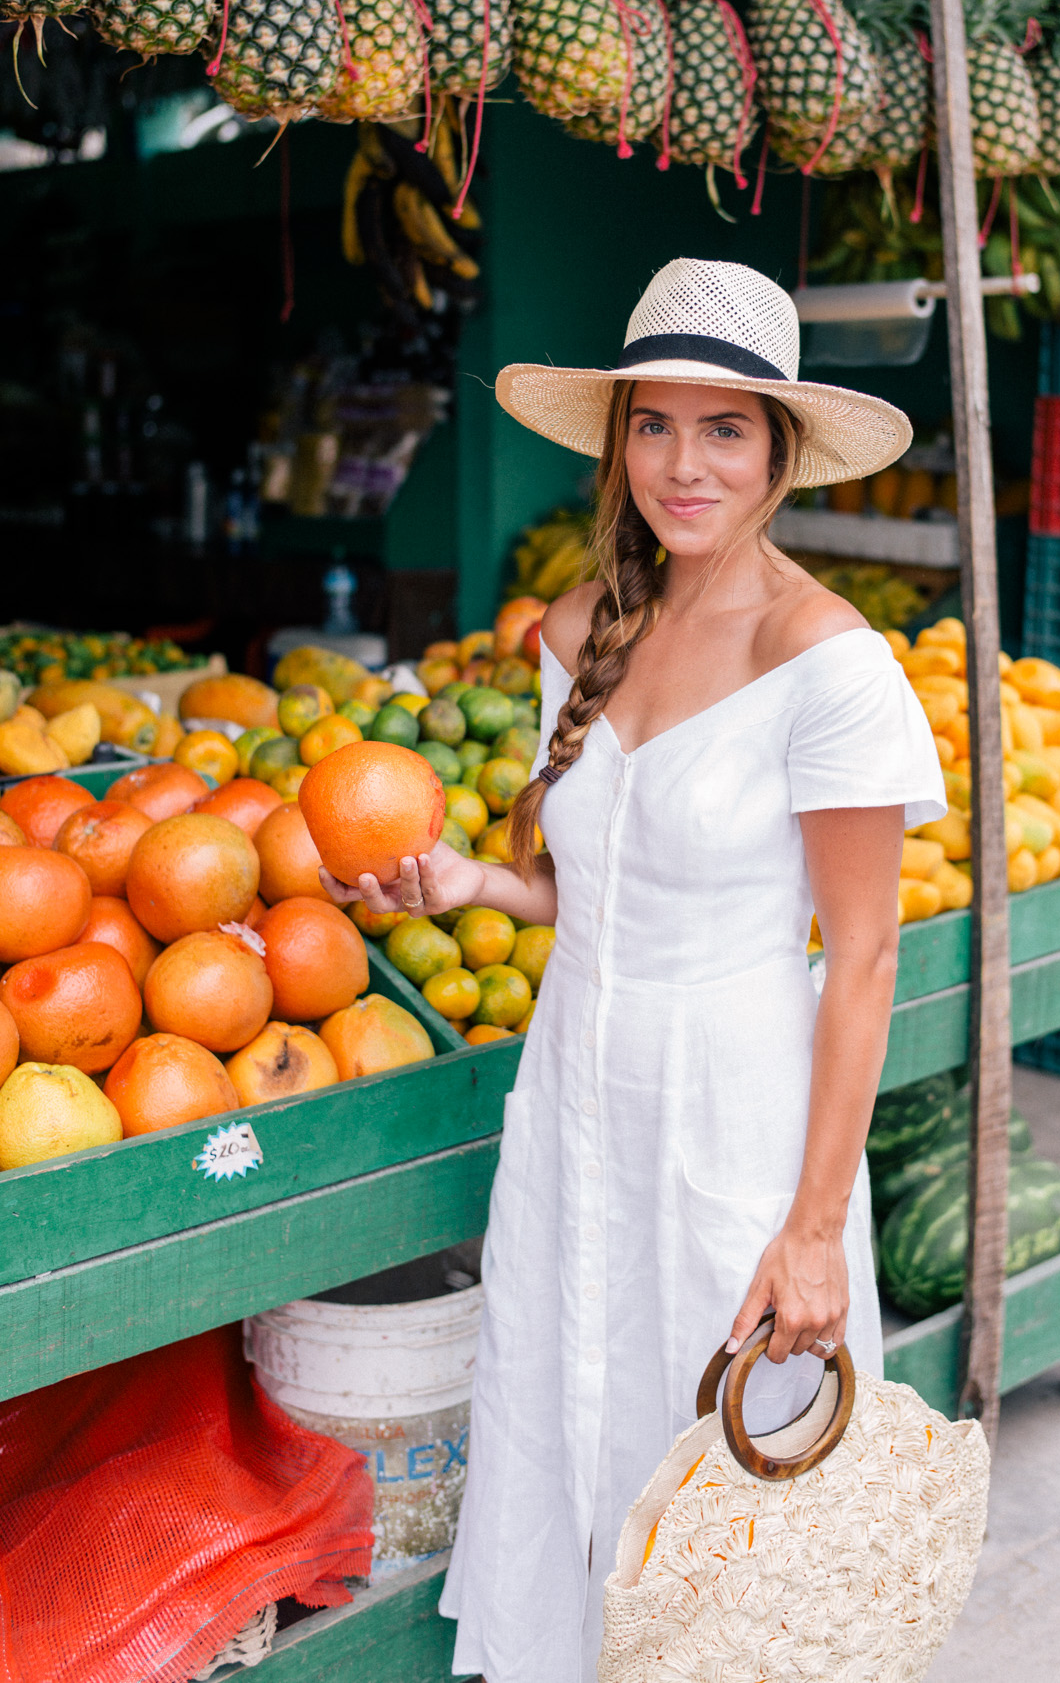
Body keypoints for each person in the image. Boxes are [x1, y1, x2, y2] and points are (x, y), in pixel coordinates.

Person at [321, 260, 945, 1682]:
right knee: (571, 1413)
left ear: (782, 450)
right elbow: (587, 887)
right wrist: (473, 885)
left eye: (726, 428)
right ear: (619, 444)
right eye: (654, 425)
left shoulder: (828, 664)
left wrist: (812, 1231)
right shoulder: (578, 624)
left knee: (721, 1475)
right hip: (574, 1112)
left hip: (733, 1122)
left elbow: (863, 962)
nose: (685, 463)